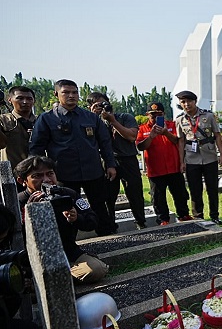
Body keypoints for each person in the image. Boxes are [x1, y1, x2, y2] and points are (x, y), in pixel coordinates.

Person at [29, 79, 117, 236]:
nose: (71, 95)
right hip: (65, 173)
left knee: (99, 205)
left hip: (93, 171)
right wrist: (41, 175)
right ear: (56, 94)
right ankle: (70, 242)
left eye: (75, 92)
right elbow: (37, 149)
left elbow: (105, 143)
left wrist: (110, 164)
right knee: (66, 207)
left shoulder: (91, 117)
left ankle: (107, 236)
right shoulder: (46, 119)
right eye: (66, 92)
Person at [16, 156, 109, 284]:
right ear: (23, 180)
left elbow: (92, 220)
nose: (46, 180)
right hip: (32, 258)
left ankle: (53, 280)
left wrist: (76, 219)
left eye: (50, 174)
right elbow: (12, 238)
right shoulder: (18, 202)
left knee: (97, 269)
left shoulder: (68, 194)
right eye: (37, 176)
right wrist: (28, 216)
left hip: (67, 251)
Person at [86, 92, 145, 231]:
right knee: (107, 196)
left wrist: (113, 121)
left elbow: (131, 136)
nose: (102, 107)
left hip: (127, 159)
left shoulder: (124, 117)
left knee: (135, 193)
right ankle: (110, 225)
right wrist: (94, 116)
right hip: (106, 161)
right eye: (97, 105)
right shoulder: (91, 121)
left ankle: (141, 222)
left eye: (103, 103)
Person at [175, 90, 222, 225]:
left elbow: (217, 135)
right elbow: (181, 141)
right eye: (183, 102)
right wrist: (182, 162)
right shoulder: (180, 120)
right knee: (195, 189)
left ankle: (214, 215)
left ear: (195, 101)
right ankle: (198, 217)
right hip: (191, 159)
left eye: (189, 101)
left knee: (212, 188)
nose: (186, 104)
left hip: (209, 157)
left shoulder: (208, 116)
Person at [137, 102, 192, 225]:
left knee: (180, 194)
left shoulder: (172, 125)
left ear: (164, 114)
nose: (156, 118)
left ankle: (184, 215)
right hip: (155, 170)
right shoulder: (142, 129)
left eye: (159, 115)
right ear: (147, 115)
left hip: (174, 168)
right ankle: (163, 220)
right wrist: (151, 136)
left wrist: (166, 133)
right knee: (158, 197)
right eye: (153, 115)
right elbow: (140, 147)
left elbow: (178, 142)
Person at [0, 86, 37, 173]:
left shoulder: (41, 121)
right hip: (10, 172)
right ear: (10, 100)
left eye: (29, 99)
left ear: (34, 101)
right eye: (20, 98)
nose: (25, 102)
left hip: (36, 172)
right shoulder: (3, 120)